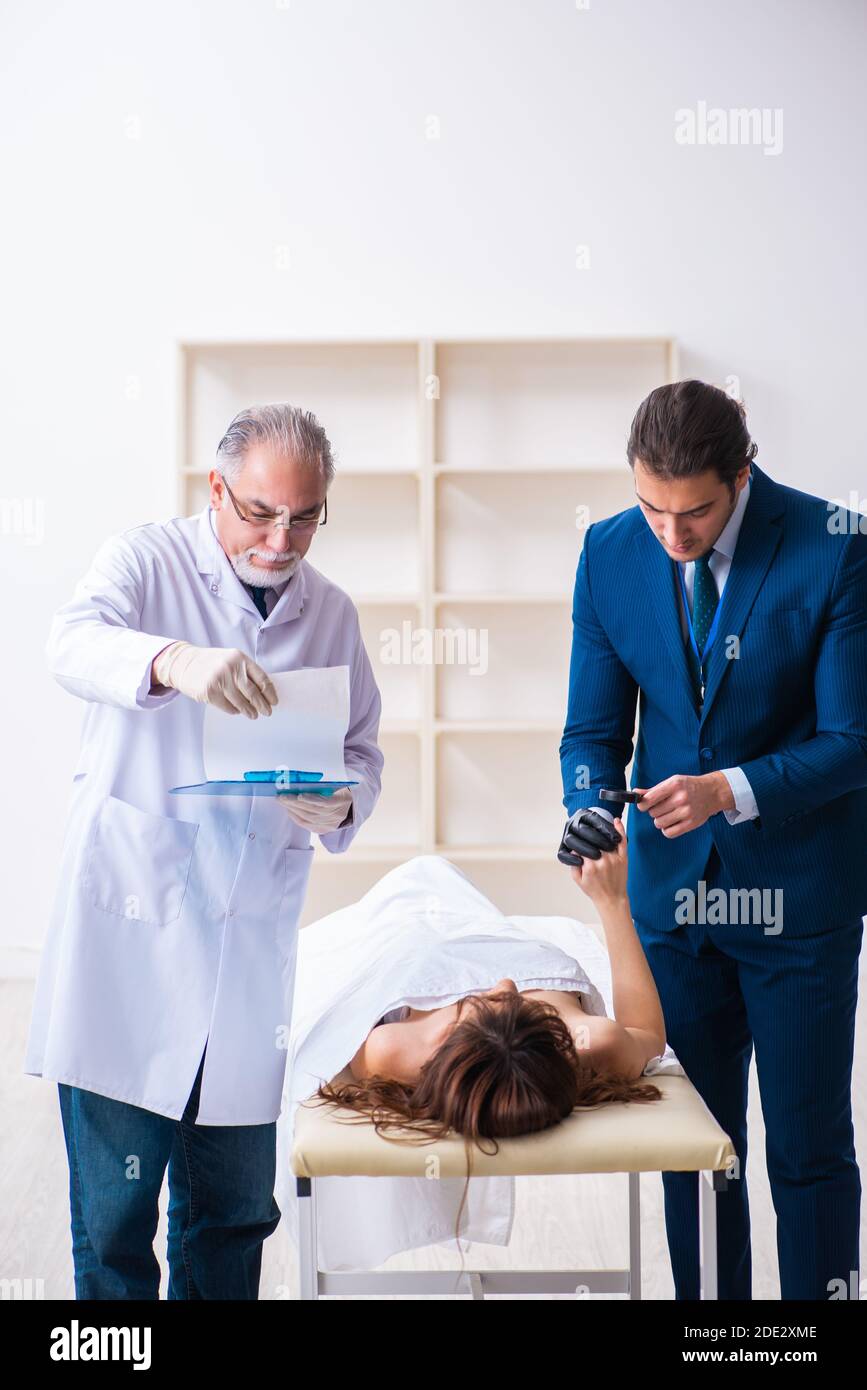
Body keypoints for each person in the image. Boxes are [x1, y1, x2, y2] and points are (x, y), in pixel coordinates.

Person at [24, 402, 384, 1299]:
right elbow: (69, 643)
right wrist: (174, 661)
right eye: (261, 512)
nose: (281, 538)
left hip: (246, 959)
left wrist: (341, 799)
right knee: (112, 1225)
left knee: (231, 1218)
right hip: (128, 944)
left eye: (305, 515)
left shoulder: (330, 613)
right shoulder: (146, 562)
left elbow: (364, 753)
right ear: (215, 490)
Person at [559, 379, 867, 1301]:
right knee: (695, 1149)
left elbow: (853, 742)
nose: (671, 533)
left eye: (692, 511)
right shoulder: (608, 551)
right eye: (652, 506)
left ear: (743, 472)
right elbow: (591, 735)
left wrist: (726, 790)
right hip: (671, 910)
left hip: (799, 904)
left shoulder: (835, 546)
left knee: (808, 1152)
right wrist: (585, 807)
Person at [311, 819, 665, 1262]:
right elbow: (649, 1036)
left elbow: (349, 981)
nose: (504, 982)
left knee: (425, 873)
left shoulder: (395, 1051)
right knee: (432, 869)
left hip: (407, 926)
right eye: (520, 1003)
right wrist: (612, 899)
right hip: (461, 922)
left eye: (474, 1004)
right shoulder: (592, 1043)